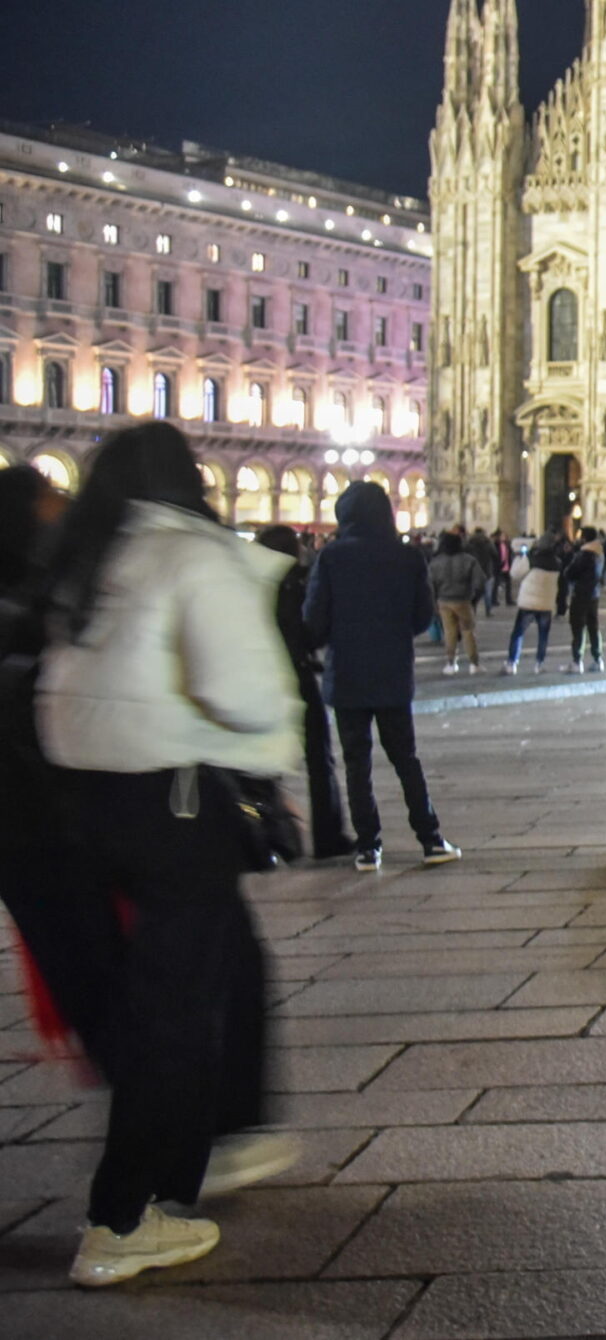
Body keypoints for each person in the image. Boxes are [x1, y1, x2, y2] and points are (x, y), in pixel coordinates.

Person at [34, 423, 302, 1286]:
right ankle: (123, 1217)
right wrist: (267, 762)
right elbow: (251, 693)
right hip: (174, 804)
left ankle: (214, 1140)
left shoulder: (94, 555)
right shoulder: (191, 554)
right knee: (175, 1010)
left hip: (87, 806)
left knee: (192, 986)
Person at [0, 468, 122, 1072]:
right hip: (45, 802)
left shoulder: (50, 585)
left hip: (55, 802)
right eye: (47, 504)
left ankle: (111, 1050)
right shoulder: (39, 594)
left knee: (74, 943)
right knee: (80, 945)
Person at [306, 482, 459, 871]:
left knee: (357, 764)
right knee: (406, 759)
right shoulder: (407, 557)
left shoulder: (331, 558)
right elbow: (423, 617)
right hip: (392, 675)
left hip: (347, 677)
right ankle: (430, 839)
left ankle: (368, 847)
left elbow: (314, 621)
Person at [254, 525, 355, 857]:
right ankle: (328, 836)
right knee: (319, 757)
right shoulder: (297, 582)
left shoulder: (248, 583)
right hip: (295, 674)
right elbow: (308, 630)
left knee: (262, 761)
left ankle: (265, 834)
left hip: (260, 678)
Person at [505, 529, 566, 674]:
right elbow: (562, 587)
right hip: (546, 604)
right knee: (543, 635)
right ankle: (539, 663)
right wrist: (561, 606)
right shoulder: (558, 563)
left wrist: (520, 557)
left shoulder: (531, 559)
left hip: (528, 603)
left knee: (518, 633)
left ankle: (512, 663)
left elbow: (514, 574)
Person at [426, 529, 484, 674]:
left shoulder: (436, 562)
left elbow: (429, 584)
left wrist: (434, 602)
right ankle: (474, 664)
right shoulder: (469, 560)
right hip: (463, 600)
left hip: (444, 601)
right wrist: (474, 598)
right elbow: (480, 581)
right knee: (468, 631)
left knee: (449, 632)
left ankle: (451, 664)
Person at [563, 527, 604, 672]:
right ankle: (598, 659)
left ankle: (576, 660)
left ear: (585, 538)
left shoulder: (585, 554)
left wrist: (570, 556)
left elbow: (570, 572)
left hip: (581, 594)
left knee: (578, 626)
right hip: (594, 595)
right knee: (593, 627)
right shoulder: (599, 553)